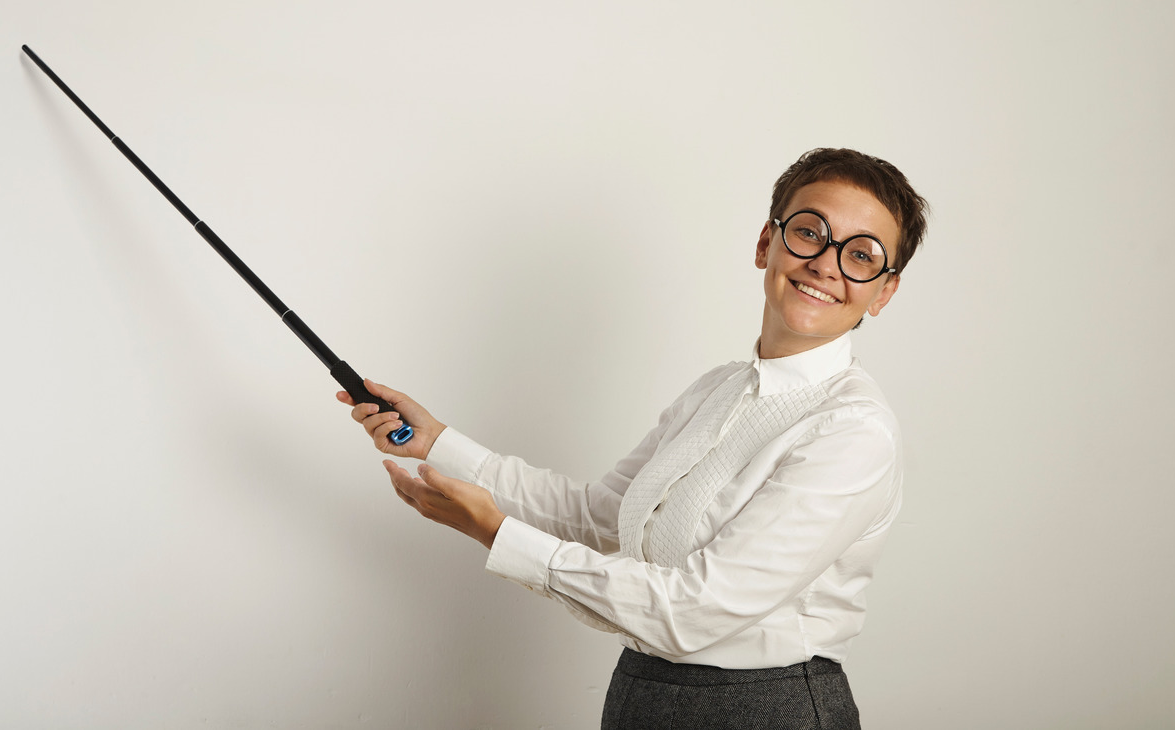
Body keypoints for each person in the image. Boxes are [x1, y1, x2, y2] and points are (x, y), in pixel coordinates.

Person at [338, 148, 929, 729]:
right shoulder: (716, 389)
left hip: (770, 710)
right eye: (809, 232)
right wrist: (435, 442)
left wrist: (496, 531)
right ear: (765, 244)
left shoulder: (852, 431)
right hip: (642, 696)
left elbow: (695, 612)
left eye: (862, 255)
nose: (827, 263)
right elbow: (600, 517)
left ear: (884, 291)